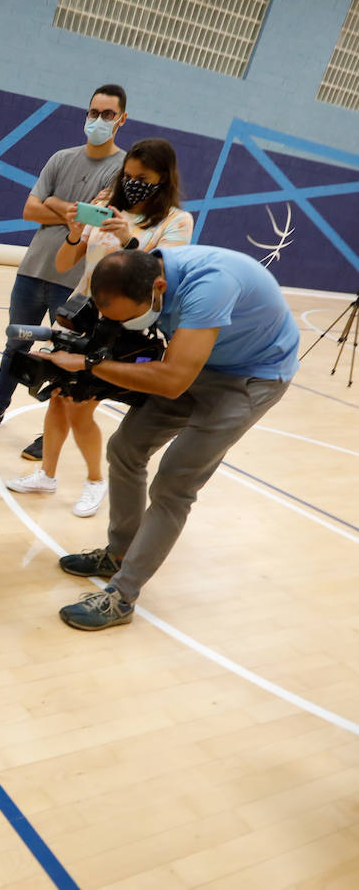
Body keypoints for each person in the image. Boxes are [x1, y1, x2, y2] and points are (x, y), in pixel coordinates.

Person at [45, 246, 299, 630]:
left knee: (175, 483)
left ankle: (123, 595)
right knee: (125, 448)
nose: (128, 324)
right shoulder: (140, 270)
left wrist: (90, 366)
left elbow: (172, 380)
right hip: (197, 362)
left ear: (158, 287)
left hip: (252, 376)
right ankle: (118, 552)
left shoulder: (211, 284)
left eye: (129, 318)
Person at [6, 137, 194, 517]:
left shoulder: (177, 221)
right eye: (129, 174)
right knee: (58, 397)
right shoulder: (107, 208)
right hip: (81, 316)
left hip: (125, 327)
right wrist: (75, 230)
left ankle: (96, 480)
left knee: (79, 406)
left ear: (163, 178)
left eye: (143, 177)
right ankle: (47, 475)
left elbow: (162, 276)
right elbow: (63, 264)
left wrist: (130, 239)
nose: (133, 182)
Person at [0, 85, 131, 456]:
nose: (98, 120)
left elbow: (94, 220)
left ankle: (47, 435)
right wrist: (66, 208)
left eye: (106, 114)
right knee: (15, 344)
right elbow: (29, 210)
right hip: (33, 269)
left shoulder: (123, 169)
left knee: (62, 358)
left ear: (121, 119)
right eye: (93, 112)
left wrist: (52, 201)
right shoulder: (61, 157)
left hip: (75, 283)